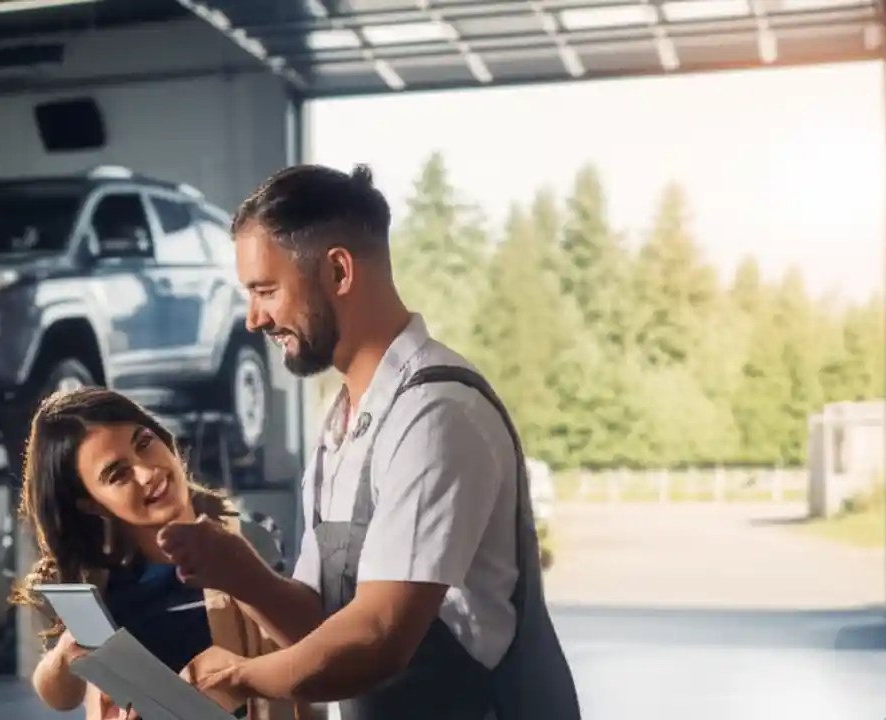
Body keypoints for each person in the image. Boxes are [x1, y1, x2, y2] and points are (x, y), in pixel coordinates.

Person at [158, 164, 581, 719]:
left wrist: (240, 676)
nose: (253, 319)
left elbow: (378, 637)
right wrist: (238, 570)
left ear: (337, 270)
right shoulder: (343, 425)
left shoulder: (435, 414)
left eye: (266, 290)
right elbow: (321, 626)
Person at [9, 387, 309, 720]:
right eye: (118, 474)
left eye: (144, 443)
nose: (148, 472)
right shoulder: (95, 583)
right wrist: (65, 656)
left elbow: (312, 653)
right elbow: (58, 696)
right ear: (91, 503)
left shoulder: (248, 540)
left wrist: (237, 678)